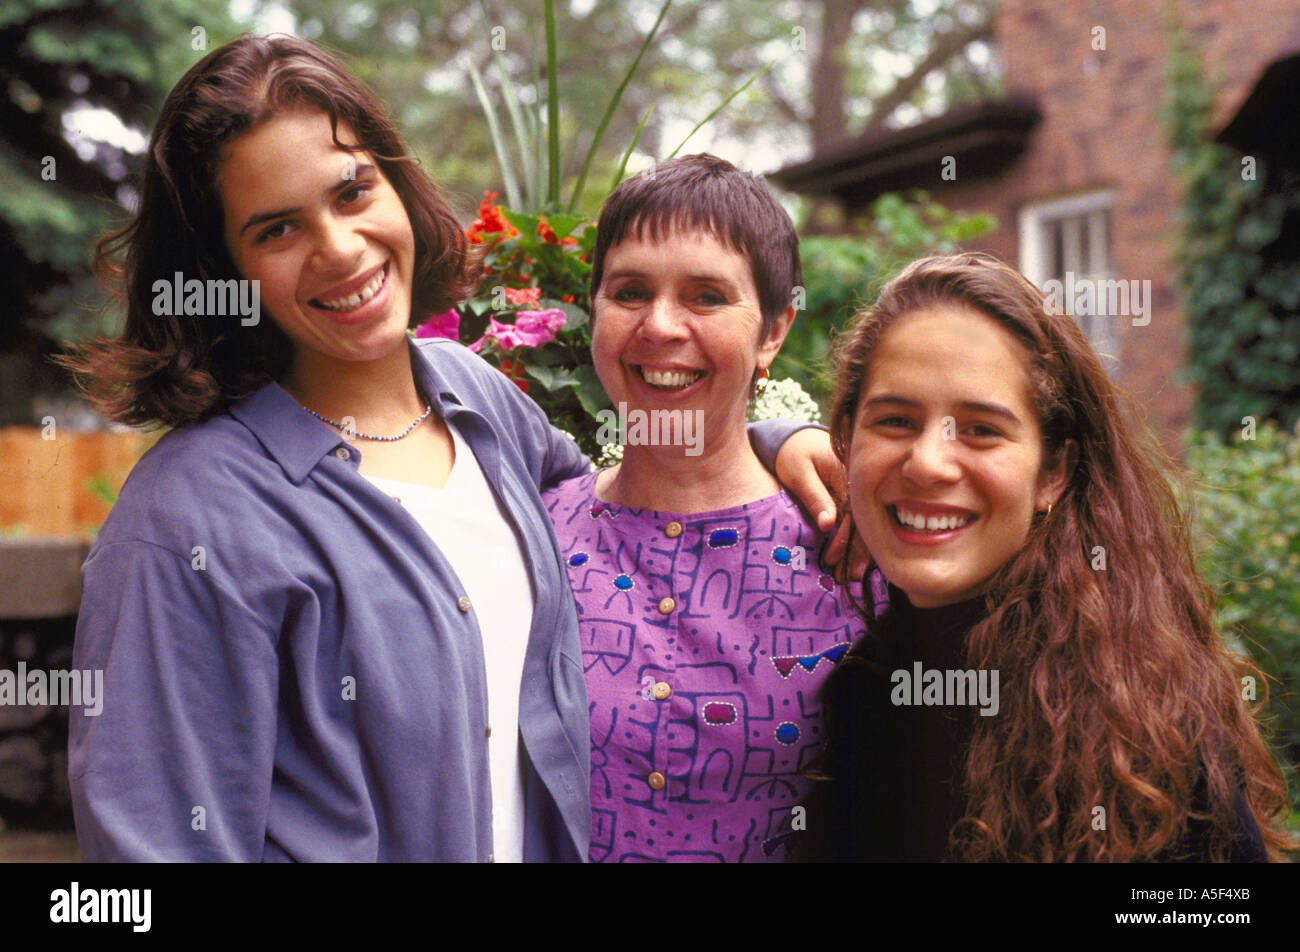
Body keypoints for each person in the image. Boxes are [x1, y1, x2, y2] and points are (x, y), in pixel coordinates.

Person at [60, 35, 844, 862]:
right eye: (278, 229)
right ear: (227, 268)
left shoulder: (484, 404)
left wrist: (777, 441)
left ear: (395, 181)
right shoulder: (185, 517)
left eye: (353, 191)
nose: (339, 248)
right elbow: (151, 845)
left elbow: (636, 495)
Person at [798, 252, 1294, 862]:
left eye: (981, 429)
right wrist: (774, 438)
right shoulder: (856, 690)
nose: (928, 462)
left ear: (1052, 471)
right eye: (896, 420)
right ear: (844, 440)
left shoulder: (1142, 717)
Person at [542, 155, 885, 862]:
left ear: (774, 331)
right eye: (630, 291)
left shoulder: (849, 546)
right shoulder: (526, 535)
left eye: (706, 297)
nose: (661, 325)